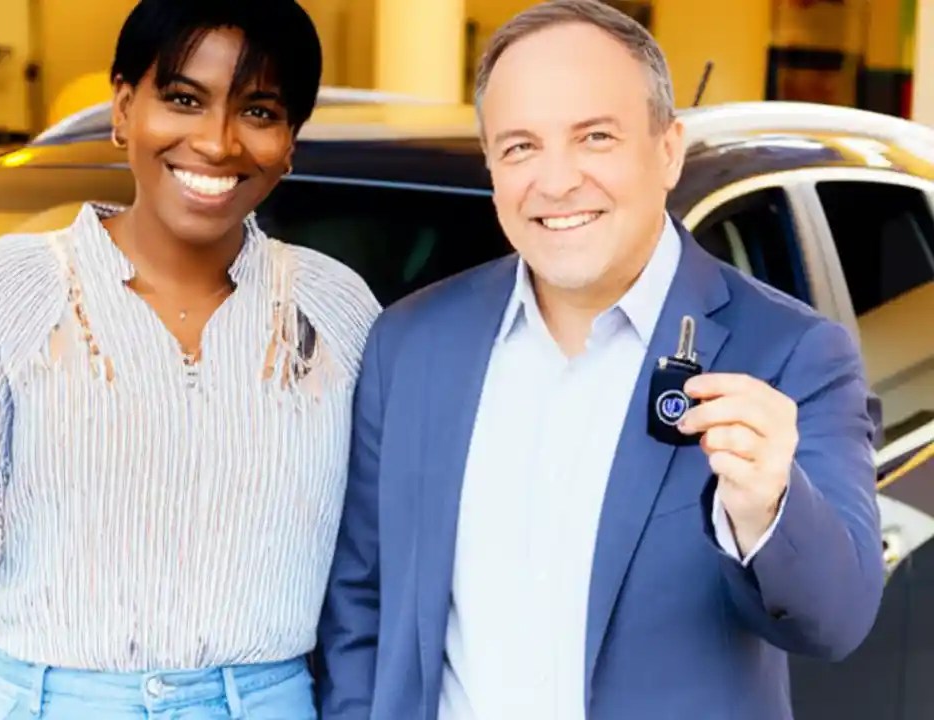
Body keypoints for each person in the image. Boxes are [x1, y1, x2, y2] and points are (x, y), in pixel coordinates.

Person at [315, 1, 885, 718]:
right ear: (491, 163)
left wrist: (768, 504)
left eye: (594, 137)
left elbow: (837, 621)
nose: (556, 182)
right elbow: (360, 608)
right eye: (521, 147)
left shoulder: (789, 352)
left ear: (668, 150)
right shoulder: (412, 343)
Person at [0, 1, 380, 717]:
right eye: (184, 100)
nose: (217, 143)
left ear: (290, 141)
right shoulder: (13, 283)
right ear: (124, 107)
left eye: (258, 112)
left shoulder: (336, 306)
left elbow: (373, 565)